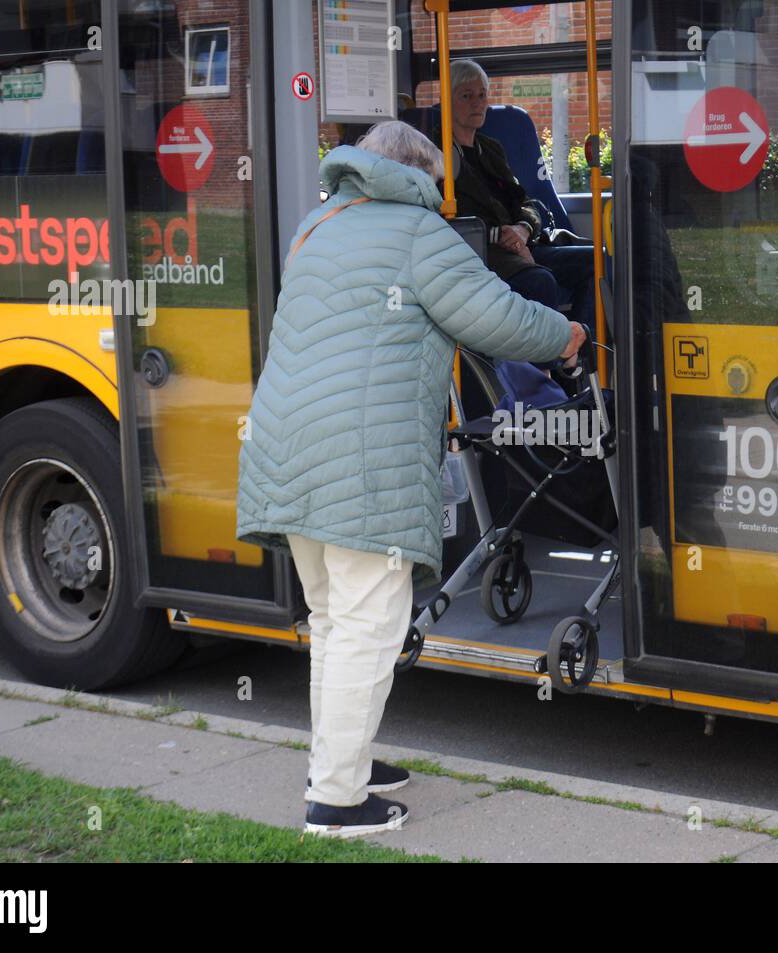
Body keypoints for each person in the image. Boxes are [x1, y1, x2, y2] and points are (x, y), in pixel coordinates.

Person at [235, 121, 585, 839]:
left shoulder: (318, 225)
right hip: (360, 458)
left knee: (335, 620)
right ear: (416, 174)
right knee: (369, 624)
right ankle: (336, 801)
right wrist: (565, 334)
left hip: (285, 447)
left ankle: (339, 764)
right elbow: (496, 317)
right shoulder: (419, 233)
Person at [439, 59, 597, 337]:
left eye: (482, 95)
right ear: (447, 101)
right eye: (466, 96)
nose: (478, 103)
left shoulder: (490, 149)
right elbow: (450, 222)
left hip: (520, 244)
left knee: (598, 260)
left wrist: (523, 229)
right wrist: (504, 236)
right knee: (540, 282)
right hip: (482, 257)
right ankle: (542, 371)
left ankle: (582, 353)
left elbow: (525, 202)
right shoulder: (438, 157)